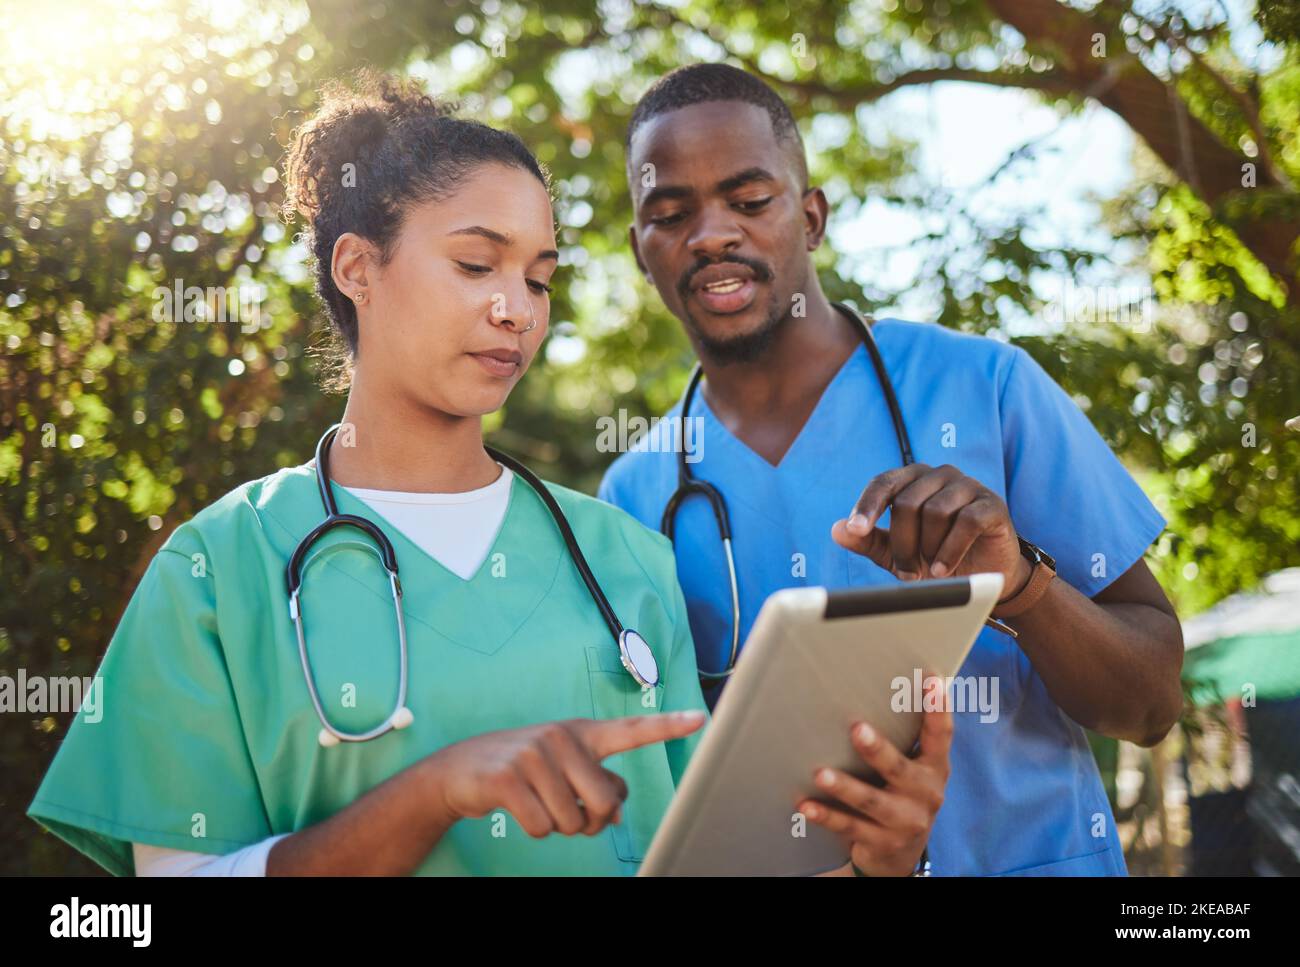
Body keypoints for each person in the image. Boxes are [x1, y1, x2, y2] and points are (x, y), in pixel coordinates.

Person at [26, 73, 714, 876]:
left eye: (537, 279)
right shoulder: (217, 568)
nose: (517, 311)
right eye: (475, 264)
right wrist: (433, 794)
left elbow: (709, 849)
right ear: (357, 267)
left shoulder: (625, 557)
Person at [598, 63, 1184, 877]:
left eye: (749, 199)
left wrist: (1020, 583)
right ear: (640, 249)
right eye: (670, 213)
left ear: (811, 217)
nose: (711, 234)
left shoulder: (988, 389)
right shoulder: (632, 495)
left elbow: (1153, 703)